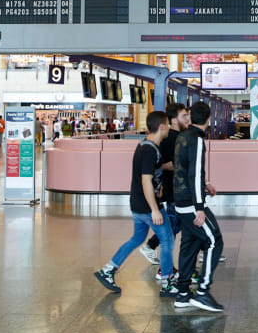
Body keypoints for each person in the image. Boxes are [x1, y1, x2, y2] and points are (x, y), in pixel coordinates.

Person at [94, 111, 177, 297]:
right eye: (168, 125)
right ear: (161, 127)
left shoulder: (144, 145)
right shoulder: (150, 150)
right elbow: (146, 181)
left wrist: (164, 166)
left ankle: (108, 270)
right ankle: (167, 283)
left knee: (137, 239)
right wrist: (155, 210)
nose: (169, 128)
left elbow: (148, 170)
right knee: (167, 239)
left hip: (137, 204)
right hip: (148, 206)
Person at [173, 101, 224, 312]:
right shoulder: (197, 139)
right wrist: (199, 207)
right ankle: (203, 292)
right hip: (191, 203)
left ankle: (183, 293)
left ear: (191, 117)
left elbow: (184, 169)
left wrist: (205, 184)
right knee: (214, 240)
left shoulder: (182, 136)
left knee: (190, 243)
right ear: (209, 119)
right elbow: (194, 174)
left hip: (179, 200)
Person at [140, 103, 190, 275]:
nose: (188, 119)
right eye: (184, 116)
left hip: (178, 189)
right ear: (173, 120)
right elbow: (161, 164)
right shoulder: (169, 139)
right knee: (172, 228)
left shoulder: (180, 136)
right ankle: (163, 266)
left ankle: (153, 249)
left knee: (175, 225)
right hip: (172, 189)